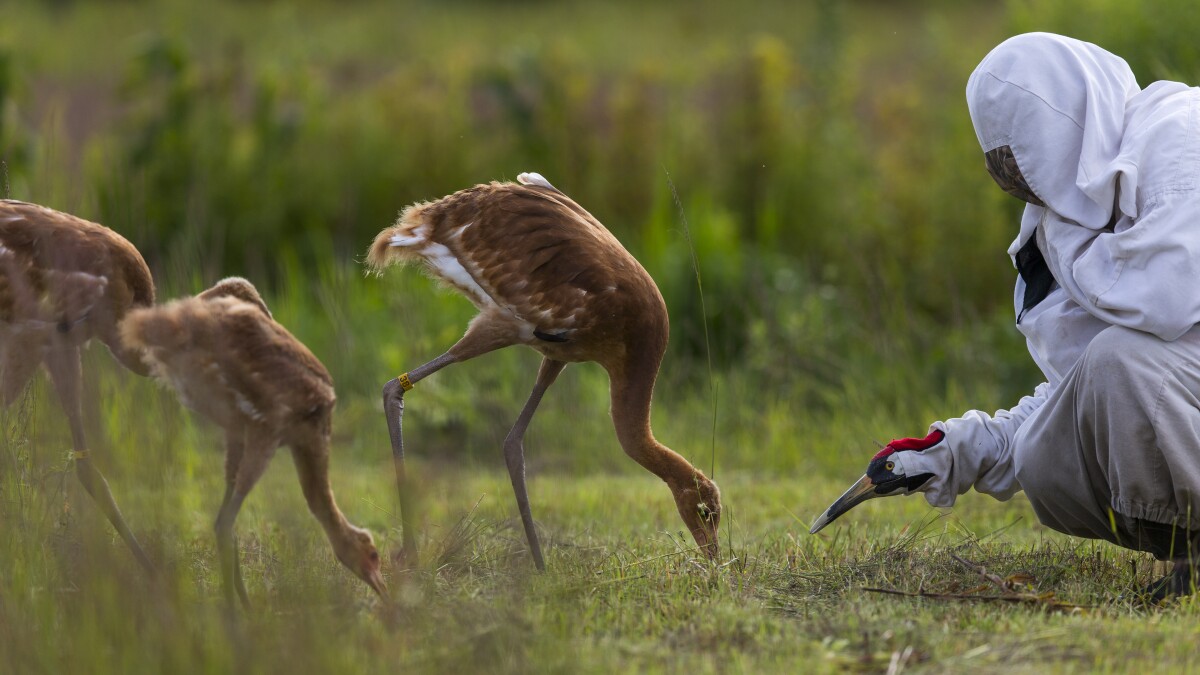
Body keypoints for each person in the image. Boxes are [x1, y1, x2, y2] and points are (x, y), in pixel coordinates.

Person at [839, 32, 1200, 601]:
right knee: (1042, 451)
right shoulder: (1070, 224)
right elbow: (1080, 393)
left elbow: (1164, 301)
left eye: (1030, 159)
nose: (1029, 187)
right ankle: (1188, 552)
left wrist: (1064, 236)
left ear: (1069, 124)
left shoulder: (1180, 135)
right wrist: (959, 447)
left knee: (1120, 361)